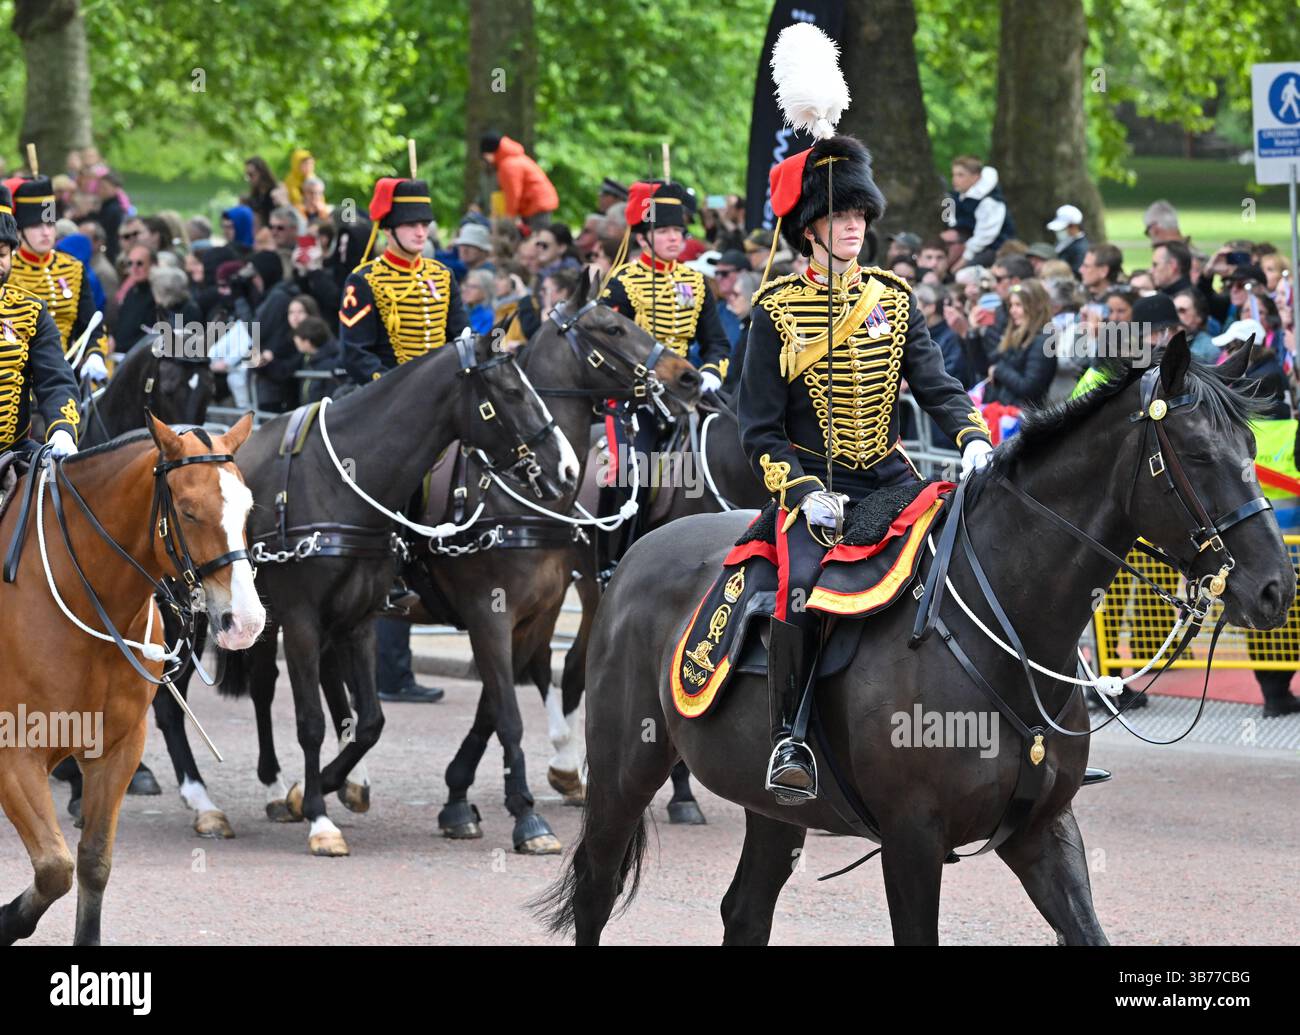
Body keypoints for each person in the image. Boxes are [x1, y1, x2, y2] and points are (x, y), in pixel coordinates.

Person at [739, 135, 992, 801]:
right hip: (815, 490)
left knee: (975, 550)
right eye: (840, 215)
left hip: (889, 477)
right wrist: (799, 489)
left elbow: (935, 384)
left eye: (860, 215)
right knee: (799, 590)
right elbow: (759, 429)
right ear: (809, 226)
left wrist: (970, 434)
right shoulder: (773, 311)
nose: (855, 226)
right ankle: (789, 737)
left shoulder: (894, 297)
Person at [340, 177, 466, 704]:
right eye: (411, 223)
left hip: (441, 408)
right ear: (389, 227)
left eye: (425, 223)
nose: (421, 231)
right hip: (385, 408)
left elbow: (460, 339)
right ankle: (389, 566)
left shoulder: (441, 275)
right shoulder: (364, 280)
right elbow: (358, 354)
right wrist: (398, 398)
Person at [595, 179, 731, 576]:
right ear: (643, 238)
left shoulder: (696, 284)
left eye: (679, 231)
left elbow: (717, 343)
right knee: (629, 468)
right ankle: (612, 558)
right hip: (637, 398)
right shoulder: (621, 283)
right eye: (665, 231)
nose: (675, 238)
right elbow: (607, 348)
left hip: (690, 395)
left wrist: (709, 374)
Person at [0, 185, 81, 459]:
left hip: (14, 452)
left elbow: (56, 379)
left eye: (1, 254)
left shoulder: (31, 310)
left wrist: (62, 430)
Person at [9, 177, 109, 381]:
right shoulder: (8, 269)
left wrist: (95, 354)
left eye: (50, 224)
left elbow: (90, 323)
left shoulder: (72, 268)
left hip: (64, 374)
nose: (46, 233)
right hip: (17, 379)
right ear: (20, 231)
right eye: (37, 226)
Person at [980, 279, 1056, 408]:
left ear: (1035, 307)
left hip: (1022, 420)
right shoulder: (1016, 335)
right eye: (1011, 305)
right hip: (1003, 412)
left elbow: (1029, 388)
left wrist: (998, 370)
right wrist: (973, 335)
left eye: (1018, 305)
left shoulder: (1043, 341)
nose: (1012, 310)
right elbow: (986, 364)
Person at [946, 155, 1016, 270]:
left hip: (994, 249)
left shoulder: (989, 202)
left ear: (975, 177)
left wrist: (962, 262)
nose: (955, 179)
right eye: (953, 175)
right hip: (970, 243)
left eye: (960, 175)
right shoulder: (958, 197)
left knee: (962, 273)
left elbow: (984, 237)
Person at [480, 132, 559, 229]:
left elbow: (513, 194)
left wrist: (509, 219)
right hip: (535, 205)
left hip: (537, 205)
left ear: (490, 152)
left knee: (538, 238)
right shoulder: (512, 159)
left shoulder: (508, 165)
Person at [289, 315, 343, 405]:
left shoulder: (328, 364)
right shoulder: (308, 358)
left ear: (307, 342)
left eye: (297, 337)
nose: (294, 340)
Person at [1173, 288, 1217, 364]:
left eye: (1182, 311)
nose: (1175, 316)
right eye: (1173, 311)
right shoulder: (1161, 342)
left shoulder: (1210, 349)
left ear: (1199, 316)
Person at [1046, 204, 1089, 275]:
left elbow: (1077, 273)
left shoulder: (1081, 249)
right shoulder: (1065, 241)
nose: (1059, 232)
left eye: (1063, 228)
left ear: (1073, 226)